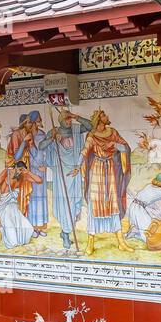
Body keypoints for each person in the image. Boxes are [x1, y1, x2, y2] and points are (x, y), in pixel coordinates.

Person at [81, 109, 131, 254]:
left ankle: (121, 242)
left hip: (110, 169)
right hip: (97, 170)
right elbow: (85, 152)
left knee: (113, 203)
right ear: (98, 119)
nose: (107, 116)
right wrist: (78, 167)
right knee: (95, 203)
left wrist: (117, 147)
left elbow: (125, 147)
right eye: (103, 115)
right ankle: (90, 243)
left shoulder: (112, 132)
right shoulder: (91, 136)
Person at [50, 108, 93, 251]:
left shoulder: (76, 129)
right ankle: (66, 234)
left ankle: (65, 232)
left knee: (74, 203)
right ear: (61, 121)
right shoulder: (55, 131)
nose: (69, 121)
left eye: (69, 119)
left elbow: (90, 126)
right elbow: (42, 146)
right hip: (61, 173)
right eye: (67, 119)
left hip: (74, 172)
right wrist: (51, 138)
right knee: (64, 204)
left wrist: (76, 116)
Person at [125, 172, 161, 252]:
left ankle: (130, 235)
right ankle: (150, 244)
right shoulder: (160, 191)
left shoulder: (151, 187)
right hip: (138, 209)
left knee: (136, 225)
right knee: (149, 227)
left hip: (133, 206)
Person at [0, 162, 41, 249]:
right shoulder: (6, 172)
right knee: (13, 241)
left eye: (21, 171)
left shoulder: (22, 176)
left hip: (14, 207)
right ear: (14, 167)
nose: (19, 173)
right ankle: (3, 232)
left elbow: (39, 180)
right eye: (19, 170)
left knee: (28, 228)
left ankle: (4, 231)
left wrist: (27, 172)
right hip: (5, 207)